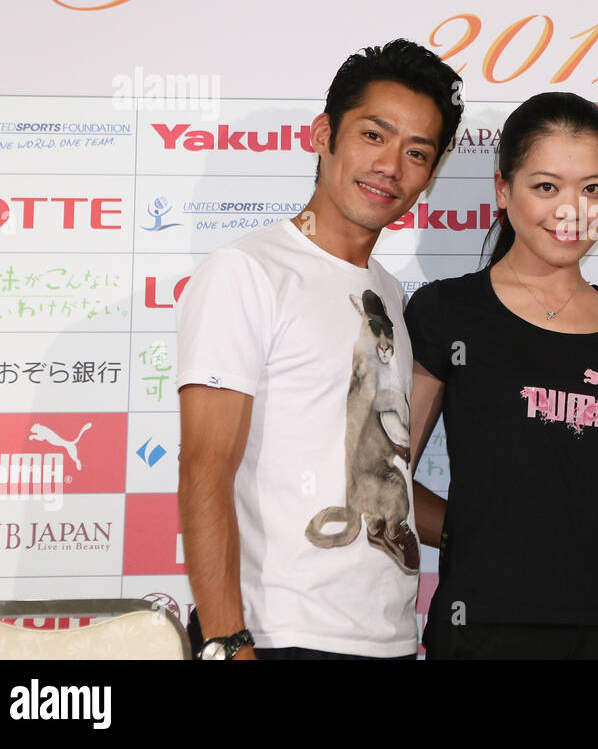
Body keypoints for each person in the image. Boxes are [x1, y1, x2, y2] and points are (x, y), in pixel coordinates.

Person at [176, 39, 463, 659]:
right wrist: (226, 643)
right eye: (373, 135)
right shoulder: (248, 272)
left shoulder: (385, 291)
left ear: (431, 173)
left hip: (388, 638)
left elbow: (382, 469)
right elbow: (205, 468)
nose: (391, 166)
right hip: (280, 635)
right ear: (322, 133)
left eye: (417, 152)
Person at [404, 92, 598, 659]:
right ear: (503, 189)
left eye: (592, 188)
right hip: (478, 630)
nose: (572, 210)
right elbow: (391, 480)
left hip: (597, 634)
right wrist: (479, 535)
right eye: (547, 187)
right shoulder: (447, 313)